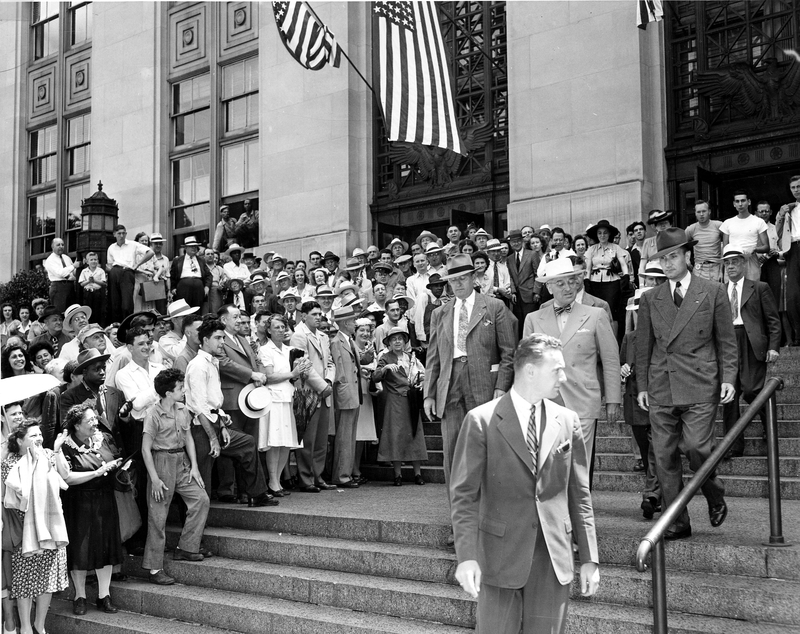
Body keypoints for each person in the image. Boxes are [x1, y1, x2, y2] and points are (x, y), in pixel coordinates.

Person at [450, 334, 599, 633]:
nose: (563, 377)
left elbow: (580, 495)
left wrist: (590, 558)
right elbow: (464, 496)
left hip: (552, 558)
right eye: (556, 370)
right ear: (530, 370)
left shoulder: (567, 420)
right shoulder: (481, 420)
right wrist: (466, 558)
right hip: (499, 557)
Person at [636, 227, 737, 540]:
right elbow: (643, 346)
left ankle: (714, 492)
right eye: (663, 259)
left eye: (673, 257)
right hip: (662, 384)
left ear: (688, 256)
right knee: (664, 457)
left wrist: (729, 378)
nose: (667, 264)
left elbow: (726, 341)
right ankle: (677, 521)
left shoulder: (713, 291)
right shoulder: (650, 298)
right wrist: (642, 386)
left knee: (696, 448)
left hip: (700, 383)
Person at [524, 257, 621, 486]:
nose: (568, 288)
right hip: (547, 403)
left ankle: (577, 508)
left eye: (571, 282)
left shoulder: (595, 314)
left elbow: (610, 359)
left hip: (583, 401)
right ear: (549, 287)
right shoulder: (534, 318)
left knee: (578, 465)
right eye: (560, 283)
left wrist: (613, 400)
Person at [423, 254, 517, 486]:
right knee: (452, 449)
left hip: (484, 382)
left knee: (485, 445)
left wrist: (501, 386)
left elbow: (508, 353)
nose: (458, 284)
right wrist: (429, 394)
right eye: (453, 280)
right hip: (450, 382)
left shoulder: (494, 307)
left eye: (463, 278)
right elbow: (433, 357)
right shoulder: (439, 313)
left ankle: (486, 504)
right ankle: (458, 505)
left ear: (474, 277)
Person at [184, 318, 275, 507]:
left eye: (223, 338)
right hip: (201, 428)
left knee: (247, 443)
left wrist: (223, 426)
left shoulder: (212, 362)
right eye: (218, 338)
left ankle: (256, 495)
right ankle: (196, 518)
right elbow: (200, 408)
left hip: (215, 423)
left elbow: (213, 403)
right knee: (203, 478)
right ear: (205, 340)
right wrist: (213, 438)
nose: (222, 342)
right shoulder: (198, 365)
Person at [141, 368, 210, 586]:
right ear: (168, 392)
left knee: (201, 499)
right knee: (158, 517)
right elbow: (145, 449)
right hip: (161, 463)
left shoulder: (183, 409)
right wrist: (155, 479)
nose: (183, 391)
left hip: (182, 462)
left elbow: (189, 438)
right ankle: (154, 568)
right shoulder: (153, 414)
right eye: (180, 388)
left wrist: (194, 467)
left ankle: (187, 547)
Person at [2, 421, 69, 634]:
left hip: (50, 528)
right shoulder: (10, 464)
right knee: (24, 583)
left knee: (47, 581)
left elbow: (65, 477)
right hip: (25, 531)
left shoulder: (48, 456)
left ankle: (40, 626)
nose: (39, 438)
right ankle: (25, 628)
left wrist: (56, 450)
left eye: (40, 434)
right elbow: (18, 494)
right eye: (32, 436)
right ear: (19, 440)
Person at [57, 403, 123, 615]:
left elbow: (113, 458)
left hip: (105, 500)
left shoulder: (103, 438)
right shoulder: (65, 446)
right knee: (80, 548)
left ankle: (104, 595)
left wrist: (118, 467)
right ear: (77, 425)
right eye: (90, 420)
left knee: (106, 545)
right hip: (79, 502)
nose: (96, 422)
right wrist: (97, 473)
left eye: (95, 418)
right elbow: (67, 477)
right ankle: (80, 596)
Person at [720, 244, 781, 459]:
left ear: (744, 264)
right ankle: (732, 445)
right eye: (727, 263)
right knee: (729, 395)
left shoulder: (759, 287)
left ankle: (769, 426)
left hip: (752, 343)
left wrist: (773, 347)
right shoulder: (719, 291)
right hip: (728, 344)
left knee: (751, 391)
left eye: (734, 262)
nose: (730, 266)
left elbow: (773, 320)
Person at [216, 304, 269, 502]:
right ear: (224, 320)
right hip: (232, 399)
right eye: (236, 317)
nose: (240, 321)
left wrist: (260, 374)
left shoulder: (242, 339)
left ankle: (247, 490)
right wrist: (251, 374)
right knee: (232, 445)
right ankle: (227, 490)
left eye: (240, 317)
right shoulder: (219, 339)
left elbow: (255, 360)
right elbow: (223, 363)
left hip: (250, 399)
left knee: (249, 445)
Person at [257, 314, 311, 495]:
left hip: (290, 397)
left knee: (286, 442)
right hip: (273, 400)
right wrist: (293, 373)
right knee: (275, 442)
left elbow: (297, 377)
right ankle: (272, 481)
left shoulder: (291, 350)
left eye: (283, 327)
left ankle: (278, 481)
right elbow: (269, 377)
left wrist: (302, 371)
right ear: (269, 330)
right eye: (277, 327)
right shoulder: (265, 350)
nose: (281, 330)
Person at [620, 289, 662, 519]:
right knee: (647, 455)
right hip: (635, 402)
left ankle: (651, 496)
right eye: (636, 312)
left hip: (658, 401)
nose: (639, 315)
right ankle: (657, 496)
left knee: (657, 451)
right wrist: (623, 370)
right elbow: (621, 364)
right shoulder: (630, 338)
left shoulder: (663, 335)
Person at [289, 301, 336, 493]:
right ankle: (305, 478)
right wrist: (323, 386)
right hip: (308, 392)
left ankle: (318, 476)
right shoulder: (298, 336)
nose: (318, 317)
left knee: (321, 440)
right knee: (307, 439)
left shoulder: (323, 336)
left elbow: (330, 362)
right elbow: (303, 365)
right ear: (303, 316)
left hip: (324, 391)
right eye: (314, 314)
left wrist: (329, 381)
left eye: (319, 314)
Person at [373, 327, 427, 486]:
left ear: (405, 341)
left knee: (415, 433)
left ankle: (418, 474)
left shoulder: (411, 357)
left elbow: (422, 374)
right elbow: (375, 377)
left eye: (400, 339)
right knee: (395, 435)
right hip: (395, 401)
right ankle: (398, 475)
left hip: (411, 399)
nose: (397, 342)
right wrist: (385, 368)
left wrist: (421, 381)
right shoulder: (385, 358)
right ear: (389, 343)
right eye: (393, 339)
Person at [328, 305, 362, 488]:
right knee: (344, 436)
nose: (355, 323)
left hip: (352, 393)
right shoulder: (337, 342)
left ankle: (345, 473)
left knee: (349, 436)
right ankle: (341, 475)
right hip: (346, 393)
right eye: (352, 320)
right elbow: (339, 372)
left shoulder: (348, 340)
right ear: (344, 323)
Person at [584, 219, 631, 337]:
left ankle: (613, 339)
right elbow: (588, 268)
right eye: (599, 233)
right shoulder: (592, 249)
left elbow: (623, 264)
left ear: (609, 234)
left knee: (612, 311)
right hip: (595, 282)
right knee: (596, 310)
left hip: (612, 282)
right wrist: (586, 280)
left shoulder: (615, 248)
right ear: (596, 235)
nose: (602, 235)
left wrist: (626, 276)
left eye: (605, 233)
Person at [106, 224, 154, 323]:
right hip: (114, 273)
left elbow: (150, 252)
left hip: (127, 273)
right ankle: (116, 327)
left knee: (127, 304)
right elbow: (109, 264)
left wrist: (137, 265)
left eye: (123, 233)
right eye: (119, 233)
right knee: (114, 303)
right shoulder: (111, 247)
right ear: (114, 234)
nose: (121, 236)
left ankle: (127, 325)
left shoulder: (133, 244)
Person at [720, 190, 770, 281]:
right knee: (733, 289)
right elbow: (725, 248)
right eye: (737, 201)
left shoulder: (758, 222)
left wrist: (754, 249)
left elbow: (766, 247)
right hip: (732, 260)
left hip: (751, 260)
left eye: (743, 200)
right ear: (734, 204)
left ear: (749, 202)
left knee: (752, 288)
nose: (740, 204)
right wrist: (721, 270)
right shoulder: (727, 223)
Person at [776, 175, 800, 345]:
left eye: (799, 186)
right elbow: (777, 233)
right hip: (793, 250)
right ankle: (798, 334)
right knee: (793, 295)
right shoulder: (789, 209)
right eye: (793, 187)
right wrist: (780, 214)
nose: (797, 190)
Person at [507, 229, 539, 336]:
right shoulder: (509, 259)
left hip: (530, 295)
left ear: (522, 241)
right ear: (510, 243)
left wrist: (536, 292)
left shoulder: (532, 254)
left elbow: (538, 274)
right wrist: (513, 291)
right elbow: (510, 277)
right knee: (520, 325)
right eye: (513, 241)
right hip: (517, 297)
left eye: (518, 241)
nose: (516, 243)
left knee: (531, 323)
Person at [169, 236, 212, 309]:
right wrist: (173, 288)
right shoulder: (178, 260)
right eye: (191, 246)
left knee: (197, 310)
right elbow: (172, 275)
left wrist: (207, 287)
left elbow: (209, 275)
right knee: (184, 310)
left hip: (198, 289)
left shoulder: (201, 260)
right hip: (183, 289)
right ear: (185, 248)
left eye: (195, 246)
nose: (194, 248)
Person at [686, 200, 723, 282]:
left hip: (716, 268)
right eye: (698, 212)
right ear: (695, 213)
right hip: (699, 268)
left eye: (704, 211)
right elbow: (682, 246)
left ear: (709, 211)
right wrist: (687, 259)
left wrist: (722, 269)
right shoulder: (691, 229)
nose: (701, 214)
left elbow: (727, 244)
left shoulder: (718, 225)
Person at [638, 209, 673, 286]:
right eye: (660, 224)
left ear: (670, 225)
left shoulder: (675, 240)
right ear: (656, 226)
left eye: (665, 223)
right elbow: (642, 265)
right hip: (654, 279)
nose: (663, 226)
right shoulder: (648, 242)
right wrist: (641, 284)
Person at [44, 237, 80, 313]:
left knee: (72, 311)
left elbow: (72, 273)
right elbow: (60, 273)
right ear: (52, 247)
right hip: (59, 287)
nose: (61, 246)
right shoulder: (50, 260)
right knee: (60, 312)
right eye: (58, 245)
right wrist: (73, 266)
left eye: (62, 245)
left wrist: (78, 267)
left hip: (70, 286)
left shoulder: (66, 258)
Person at [78, 251, 108, 325]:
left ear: (98, 261)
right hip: (87, 293)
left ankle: (97, 325)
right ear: (87, 262)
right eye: (91, 260)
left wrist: (95, 280)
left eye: (95, 259)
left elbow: (104, 283)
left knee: (97, 310)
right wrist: (88, 281)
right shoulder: (84, 271)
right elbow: (81, 284)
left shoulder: (101, 271)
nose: (93, 261)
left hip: (97, 292)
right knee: (88, 310)